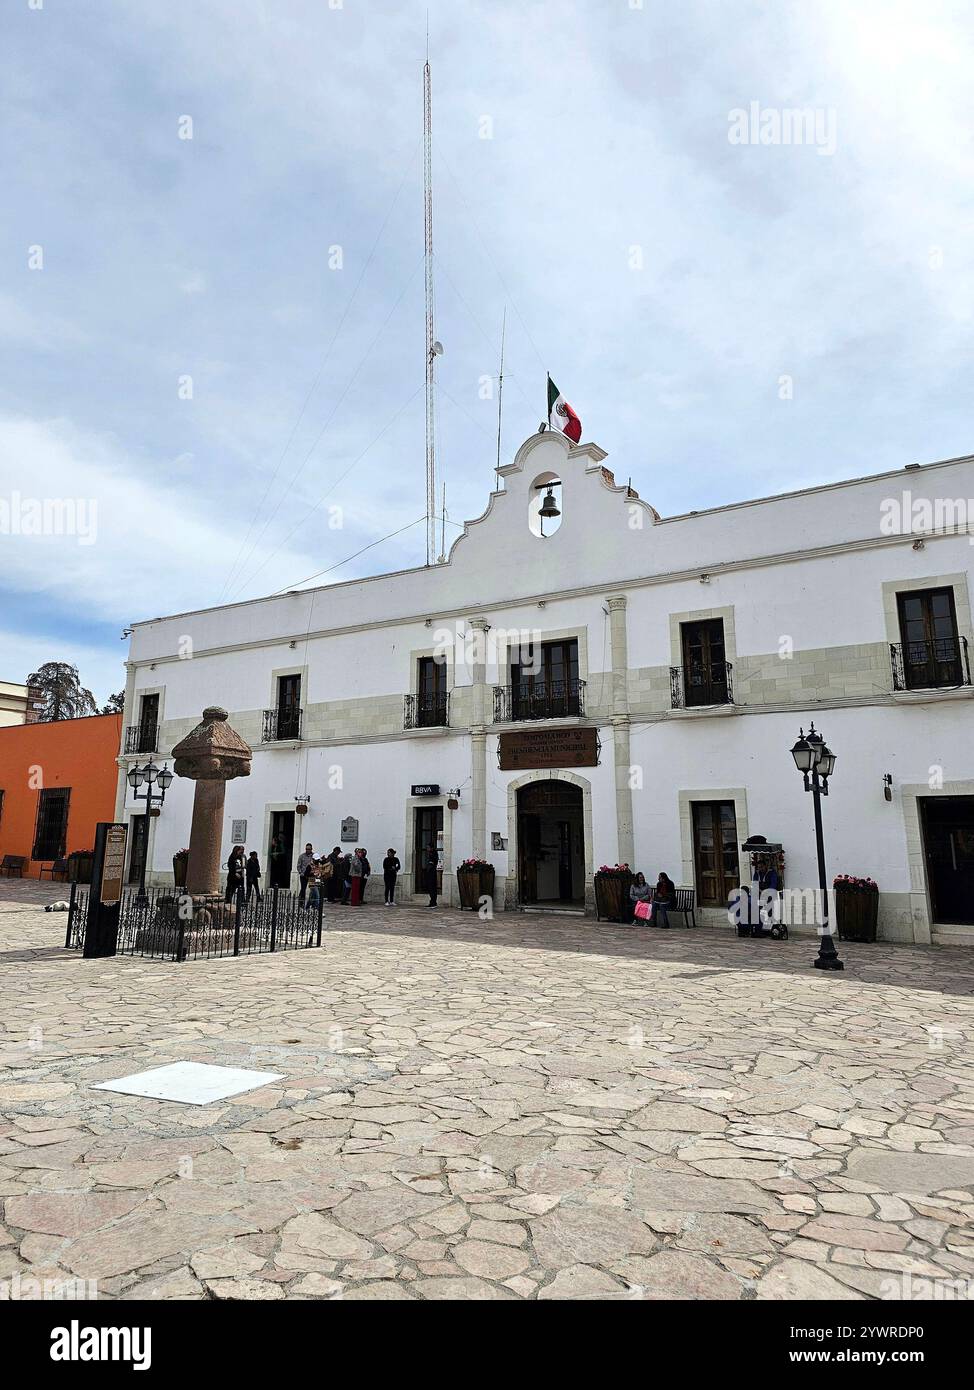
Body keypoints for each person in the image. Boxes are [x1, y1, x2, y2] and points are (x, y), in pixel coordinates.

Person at [424, 843, 440, 907]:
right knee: (430, 888)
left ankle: (433, 902)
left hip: (432, 872)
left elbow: (434, 861)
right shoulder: (429, 853)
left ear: (431, 848)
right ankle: (432, 902)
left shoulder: (434, 853)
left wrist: (431, 863)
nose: (427, 849)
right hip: (429, 872)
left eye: (428, 847)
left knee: (432, 887)